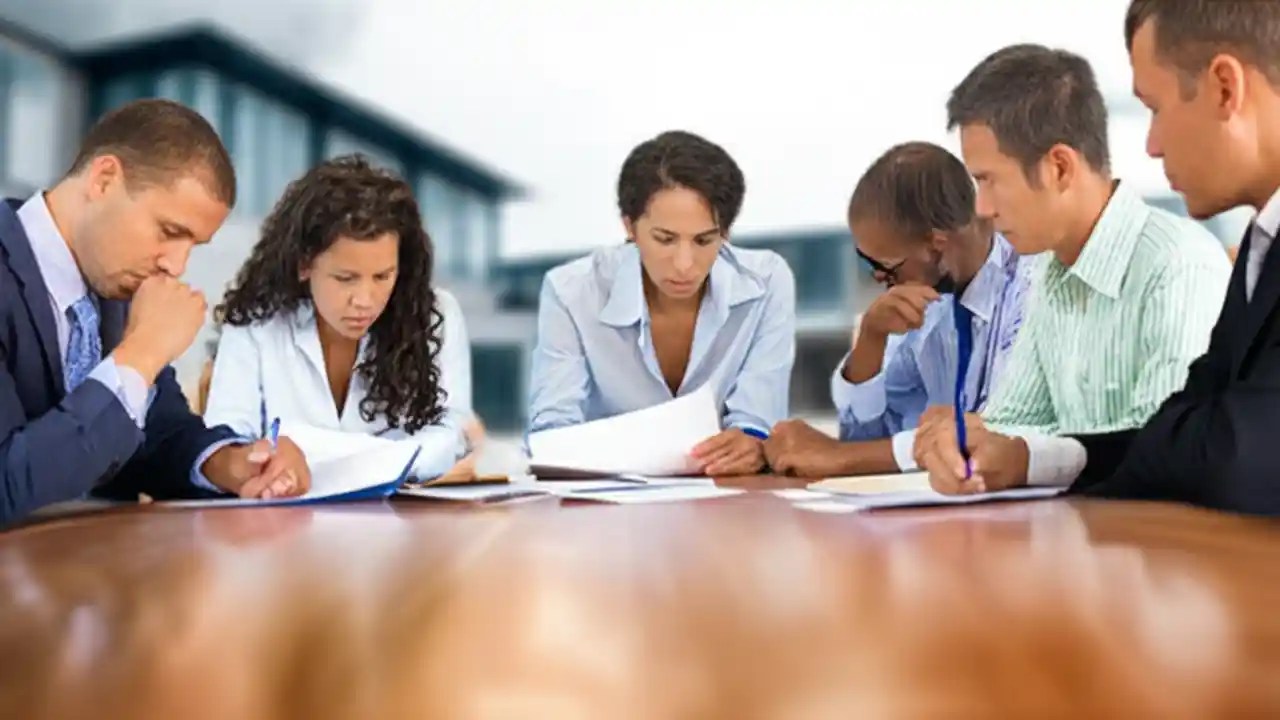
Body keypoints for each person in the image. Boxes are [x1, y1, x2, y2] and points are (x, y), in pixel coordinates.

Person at [912, 43, 1232, 495]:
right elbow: (1013, 423)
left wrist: (1021, 456)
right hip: (1088, 541)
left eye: (988, 181)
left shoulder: (1178, 265)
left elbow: (1163, 454)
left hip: (1166, 552)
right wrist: (970, 449)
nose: (981, 209)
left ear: (1059, 167)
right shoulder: (1049, 271)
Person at [0, 98, 311, 525]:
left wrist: (231, 464)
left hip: (99, 567)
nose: (176, 266)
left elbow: (157, 433)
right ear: (104, 179)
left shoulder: (117, 284)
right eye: (168, 232)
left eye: (192, 246)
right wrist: (141, 355)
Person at [1063, 1, 1280, 514]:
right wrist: (1038, 461)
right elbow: (1194, 429)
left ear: (1225, 87)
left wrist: (1193, 425)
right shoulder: (1263, 244)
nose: (1153, 145)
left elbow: (1237, 459)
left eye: (1155, 107)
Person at [528, 130, 796, 476]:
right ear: (630, 226)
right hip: (606, 504)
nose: (685, 263)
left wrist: (750, 444)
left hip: (724, 497)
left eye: (704, 240)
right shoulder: (571, 292)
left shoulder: (767, 282)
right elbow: (552, 430)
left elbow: (757, 419)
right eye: (665, 239)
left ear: (725, 233)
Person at [765, 142, 1033, 477]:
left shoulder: (1031, 288)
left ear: (936, 244)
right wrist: (871, 339)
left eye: (886, 266)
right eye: (867, 262)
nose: (878, 277)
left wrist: (839, 457)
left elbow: (999, 436)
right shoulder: (923, 302)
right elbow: (866, 436)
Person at [204, 155, 474, 480]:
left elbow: (449, 438)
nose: (364, 300)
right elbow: (227, 445)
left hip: (401, 522)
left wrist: (311, 449)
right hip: (282, 522)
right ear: (304, 263)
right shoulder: (255, 321)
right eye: (345, 278)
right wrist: (396, 457)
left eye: (382, 276)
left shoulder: (434, 315)